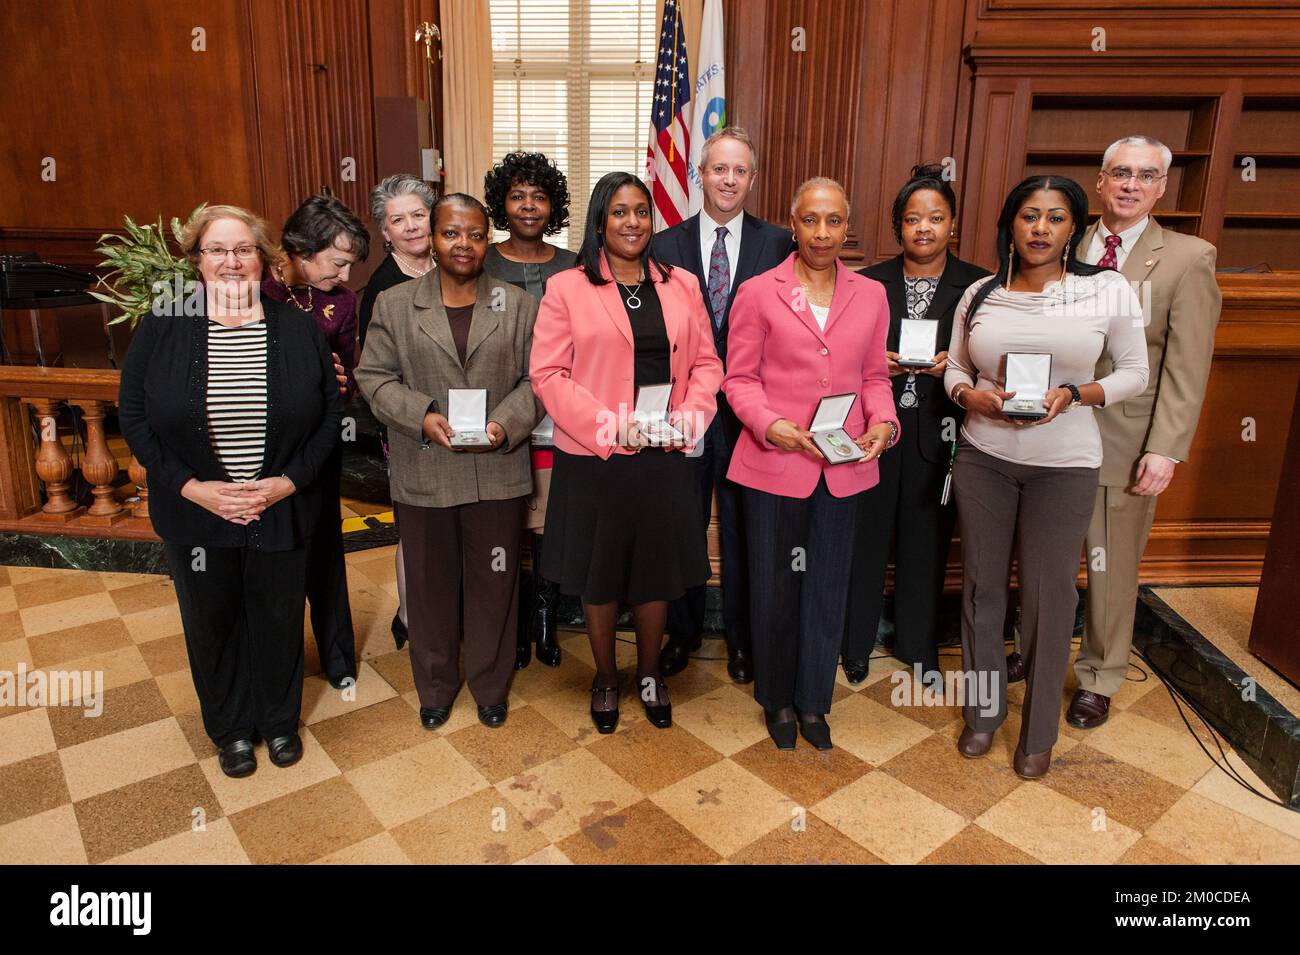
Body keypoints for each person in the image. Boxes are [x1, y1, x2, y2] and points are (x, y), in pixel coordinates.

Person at [119, 205, 342, 777]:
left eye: (242, 249)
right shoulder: (164, 323)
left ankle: (279, 721)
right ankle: (232, 730)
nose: (230, 261)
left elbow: (327, 419)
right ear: (196, 260)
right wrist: (194, 489)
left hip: (280, 506)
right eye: (216, 250)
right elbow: (135, 417)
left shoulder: (297, 329)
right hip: (196, 511)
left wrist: (285, 484)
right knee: (213, 621)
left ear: (263, 259)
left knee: (277, 614)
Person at [945, 175, 1149, 778]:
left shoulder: (1106, 290)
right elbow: (956, 365)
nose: (1040, 228)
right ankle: (983, 715)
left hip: (1064, 465)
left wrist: (1076, 393)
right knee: (983, 588)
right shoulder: (981, 293)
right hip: (984, 457)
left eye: (1055, 218)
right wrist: (969, 398)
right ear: (1010, 223)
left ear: (1073, 228)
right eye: (1029, 216)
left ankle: (1038, 735)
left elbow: (1136, 371)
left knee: (1050, 593)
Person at [530, 171, 722, 734]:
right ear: (599, 221)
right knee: (602, 572)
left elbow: (708, 363)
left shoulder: (680, 282)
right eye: (619, 212)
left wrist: (691, 416)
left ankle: (650, 674)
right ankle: (607, 677)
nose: (632, 221)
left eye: (641, 211)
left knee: (655, 573)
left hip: (664, 454)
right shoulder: (568, 287)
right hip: (597, 457)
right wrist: (611, 427)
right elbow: (547, 374)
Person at [724, 178, 897, 751]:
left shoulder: (870, 295)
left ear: (848, 227)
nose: (822, 233)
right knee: (774, 586)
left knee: (827, 586)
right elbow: (738, 379)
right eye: (810, 221)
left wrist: (884, 423)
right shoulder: (757, 292)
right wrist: (768, 423)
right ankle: (776, 699)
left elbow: (874, 376)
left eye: (834, 221)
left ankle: (815, 703)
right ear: (792, 225)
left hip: (844, 467)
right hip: (776, 462)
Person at [356, 194, 541, 730]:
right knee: (431, 586)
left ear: (489, 239)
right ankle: (435, 687)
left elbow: (539, 380)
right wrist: (423, 415)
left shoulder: (517, 304)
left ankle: (489, 686)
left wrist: (505, 423)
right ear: (432, 239)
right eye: (451, 234)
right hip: (425, 469)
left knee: (495, 584)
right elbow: (374, 379)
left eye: (476, 234)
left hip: (497, 469)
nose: (464, 244)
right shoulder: (394, 304)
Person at [1062, 136, 1222, 729]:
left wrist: (1166, 449)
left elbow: (1187, 363)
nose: (1131, 184)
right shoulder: (1061, 237)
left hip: (1126, 441)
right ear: (1100, 181)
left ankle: (1100, 676)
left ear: (1160, 188)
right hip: (1050, 430)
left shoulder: (1187, 257)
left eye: (1146, 176)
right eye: (1120, 173)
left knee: (1108, 564)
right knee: (1047, 555)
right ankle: (1035, 650)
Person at [650, 126, 794, 684]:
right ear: (699, 175)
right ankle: (682, 635)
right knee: (682, 527)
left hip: (751, 416)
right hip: (684, 411)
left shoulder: (779, 244)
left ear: (752, 180)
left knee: (744, 531)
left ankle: (743, 641)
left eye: (739, 171)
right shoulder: (665, 245)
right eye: (718, 169)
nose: (728, 179)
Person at [841, 166, 990, 684]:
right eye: (911, 219)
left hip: (941, 431)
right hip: (875, 432)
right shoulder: (866, 283)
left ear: (953, 224)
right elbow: (839, 358)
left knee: (926, 544)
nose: (923, 228)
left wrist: (957, 366)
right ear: (897, 226)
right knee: (863, 542)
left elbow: (993, 363)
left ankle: (917, 645)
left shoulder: (978, 285)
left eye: (935, 218)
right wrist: (876, 363)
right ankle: (854, 642)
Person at [262, 194, 370, 689]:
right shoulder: (254, 290)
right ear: (302, 249)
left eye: (350, 266)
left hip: (316, 445)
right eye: (338, 263)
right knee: (274, 556)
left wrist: (337, 380)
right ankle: (276, 658)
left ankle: (337, 656)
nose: (345, 277)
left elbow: (346, 376)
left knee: (325, 548)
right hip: (260, 449)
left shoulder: (341, 302)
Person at [483, 151, 578, 670]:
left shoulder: (571, 264)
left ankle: (544, 620)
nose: (528, 206)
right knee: (505, 521)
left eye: (539, 196)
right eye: (517, 195)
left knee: (546, 522)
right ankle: (511, 624)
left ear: (553, 206)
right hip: (500, 408)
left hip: (559, 413)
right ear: (502, 202)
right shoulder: (483, 260)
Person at [357, 173, 437, 651]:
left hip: (468, 422)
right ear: (384, 232)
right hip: (409, 425)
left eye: (418, 215)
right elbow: (375, 374)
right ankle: (410, 615)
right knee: (415, 525)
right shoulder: (382, 288)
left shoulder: (459, 264)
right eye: (397, 220)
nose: (410, 227)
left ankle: (450, 609)